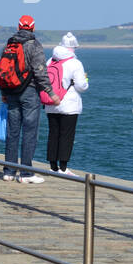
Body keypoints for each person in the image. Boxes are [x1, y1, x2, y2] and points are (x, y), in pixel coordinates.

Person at [0, 14, 54, 183]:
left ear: (18, 26)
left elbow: (2, 71)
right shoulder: (34, 45)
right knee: (30, 132)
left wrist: (3, 93)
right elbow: (40, 72)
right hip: (29, 93)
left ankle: (9, 171)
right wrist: (50, 92)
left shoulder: (9, 44)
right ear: (33, 27)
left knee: (12, 132)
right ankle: (26, 174)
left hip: (11, 92)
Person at [45, 32, 89, 175]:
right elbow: (81, 86)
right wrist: (86, 80)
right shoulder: (75, 63)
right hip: (69, 105)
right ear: (73, 47)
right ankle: (63, 167)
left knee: (53, 134)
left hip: (51, 103)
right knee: (66, 135)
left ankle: (52, 166)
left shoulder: (50, 60)